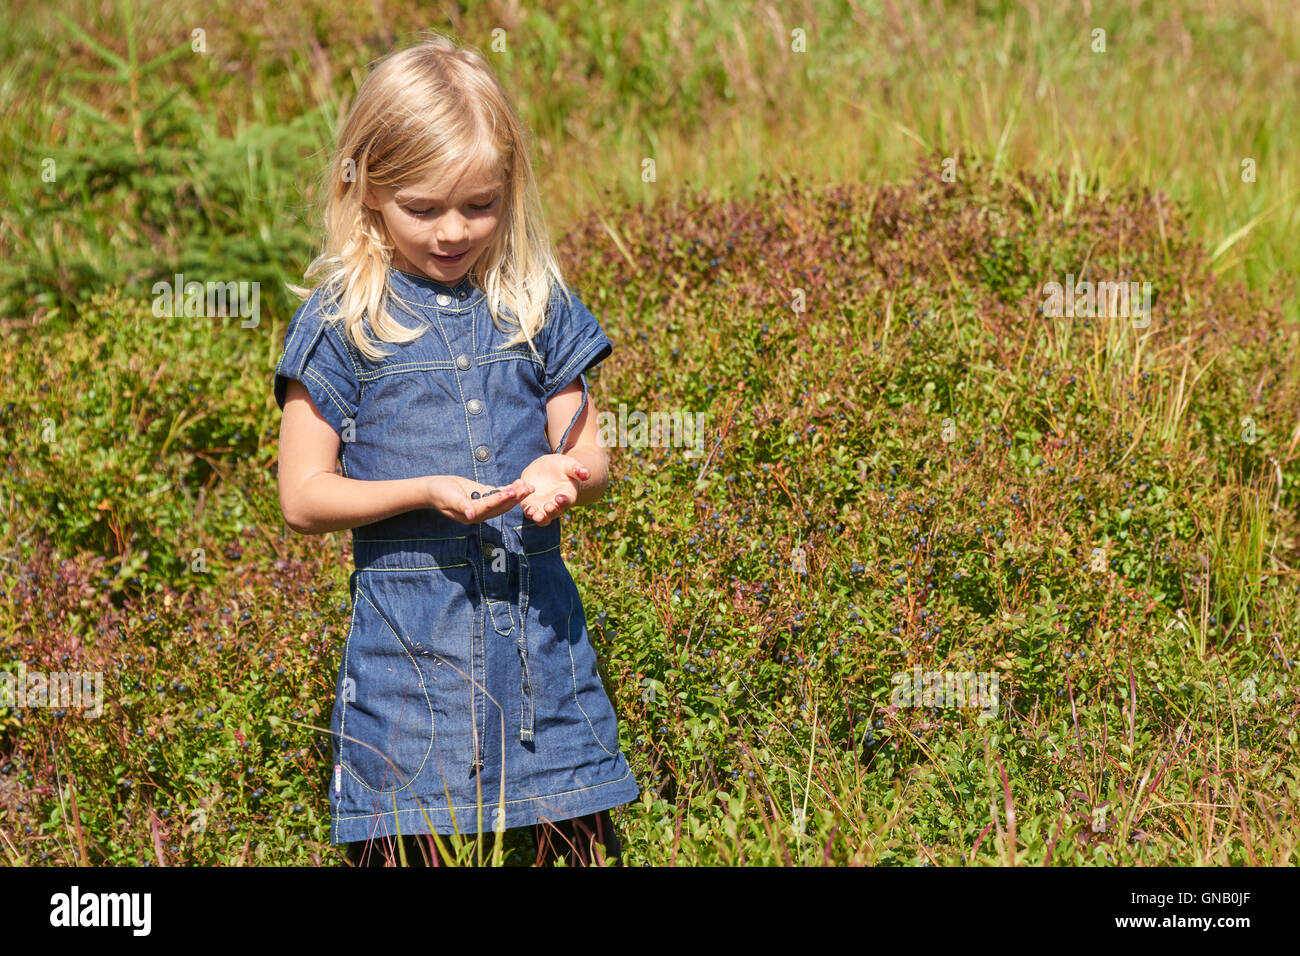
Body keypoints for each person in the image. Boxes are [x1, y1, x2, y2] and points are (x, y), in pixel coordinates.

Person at [272, 31, 639, 867]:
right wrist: (423, 489)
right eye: (423, 207)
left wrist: (563, 472)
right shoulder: (341, 326)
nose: (452, 230)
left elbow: (596, 458)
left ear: (510, 192)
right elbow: (303, 495)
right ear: (366, 189)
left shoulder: (534, 302)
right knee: (410, 847)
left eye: (479, 205)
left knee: (571, 845)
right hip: (405, 666)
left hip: (539, 646)